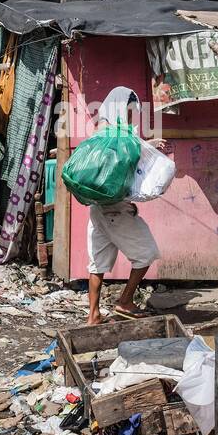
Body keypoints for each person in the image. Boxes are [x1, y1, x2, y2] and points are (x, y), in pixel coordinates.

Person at [85, 87, 162, 325]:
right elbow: (122, 161)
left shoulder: (99, 130)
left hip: (98, 209)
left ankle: (93, 315)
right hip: (114, 209)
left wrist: (146, 144)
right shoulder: (114, 132)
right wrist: (148, 147)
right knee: (147, 253)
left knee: (97, 262)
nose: (130, 117)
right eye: (129, 112)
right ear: (120, 106)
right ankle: (125, 300)